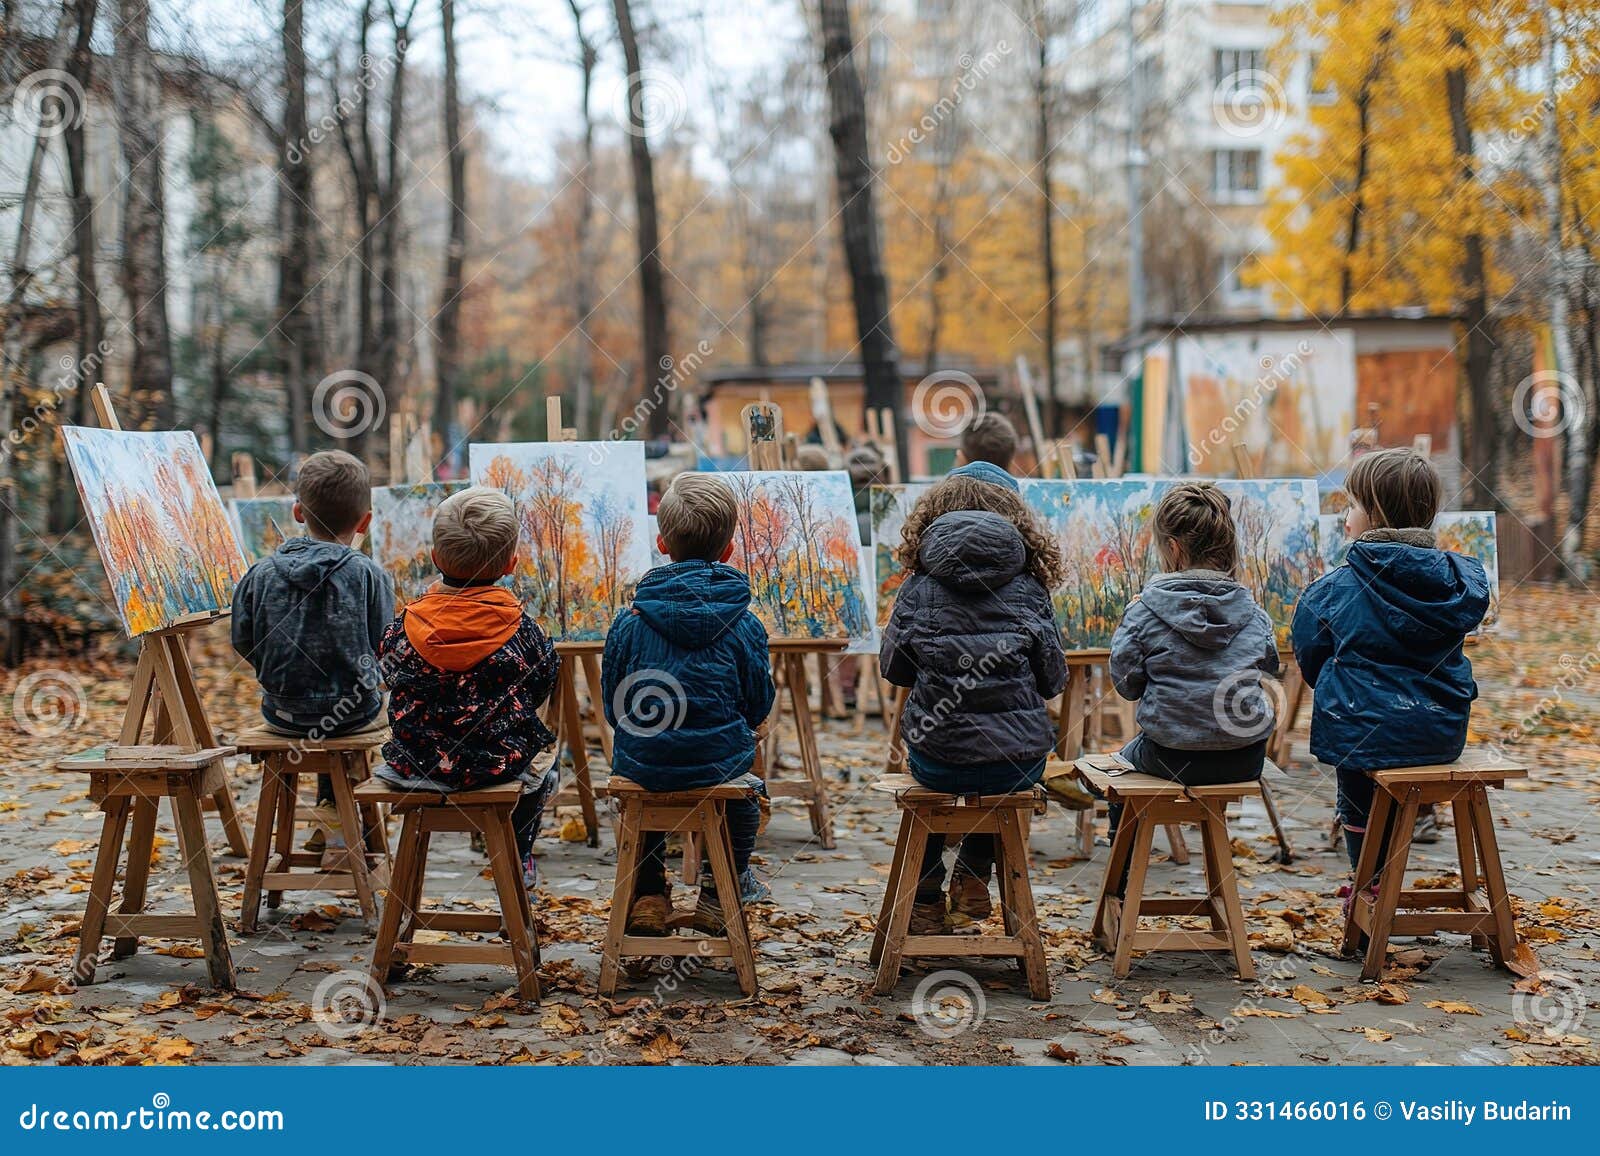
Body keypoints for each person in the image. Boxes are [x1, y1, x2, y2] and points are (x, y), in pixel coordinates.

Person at [880, 473, 1068, 933]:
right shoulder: (1029, 589)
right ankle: (973, 871)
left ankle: (923, 897)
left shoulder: (918, 588)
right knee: (995, 779)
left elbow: (894, 671)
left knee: (932, 776)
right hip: (1017, 764)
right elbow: (1053, 681)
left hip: (938, 758)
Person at [1292, 448, 1488, 882]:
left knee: (1357, 779)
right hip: (1441, 732)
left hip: (1363, 733)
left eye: (1353, 504)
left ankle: (1369, 883)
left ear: (1375, 515)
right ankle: (1411, 823)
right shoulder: (1455, 580)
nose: (1346, 513)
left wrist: (1339, 686)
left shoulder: (1337, 587)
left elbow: (1309, 652)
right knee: (1382, 739)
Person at [602, 472, 776, 936]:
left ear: (662, 544)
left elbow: (613, 709)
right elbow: (758, 705)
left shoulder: (629, 621)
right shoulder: (746, 624)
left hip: (643, 759)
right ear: (728, 550)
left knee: (647, 779)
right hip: (720, 761)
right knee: (746, 793)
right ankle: (721, 892)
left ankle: (647, 892)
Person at [375, 487, 561, 889]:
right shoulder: (524, 631)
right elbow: (545, 683)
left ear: (436, 558)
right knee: (547, 764)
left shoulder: (403, 628)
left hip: (416, 762)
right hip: (497, 764)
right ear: (511, 563)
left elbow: (385, 674)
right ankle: (519, 853)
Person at [232, 451, 394, 862]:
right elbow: (386, 645)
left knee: (334, 708)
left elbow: (242, 638)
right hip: (352, 713)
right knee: (356, 707)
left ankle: (331, 816)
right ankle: (338, 820)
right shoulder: (368, 575)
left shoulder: (262, 573)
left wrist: (281, 671)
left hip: (282, 713)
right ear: (365, 521)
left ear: (298, 512)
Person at [1107, 483, 1281, 865]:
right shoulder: (1254, 613)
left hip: (1170, 755)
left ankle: (1120, 866)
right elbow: (1271, 668)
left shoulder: (1145, 611)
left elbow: (1126, 685)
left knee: (1120, 763)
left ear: (1173, 549)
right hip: (1244, 757)